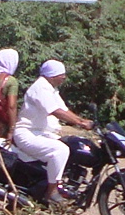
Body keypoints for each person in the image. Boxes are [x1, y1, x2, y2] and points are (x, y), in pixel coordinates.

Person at [12, 59, 92, 203]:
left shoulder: (51, 89)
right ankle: (51, 192)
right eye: (61, 74)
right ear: (52, 75)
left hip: (38, 132)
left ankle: (61, 182)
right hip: (26, 133)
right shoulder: (41, 88)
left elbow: (65, 110)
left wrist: (83, 121)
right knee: (61, 150)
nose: (64, 77)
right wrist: (80, 123)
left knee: (69, 144)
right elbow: (57, 111)